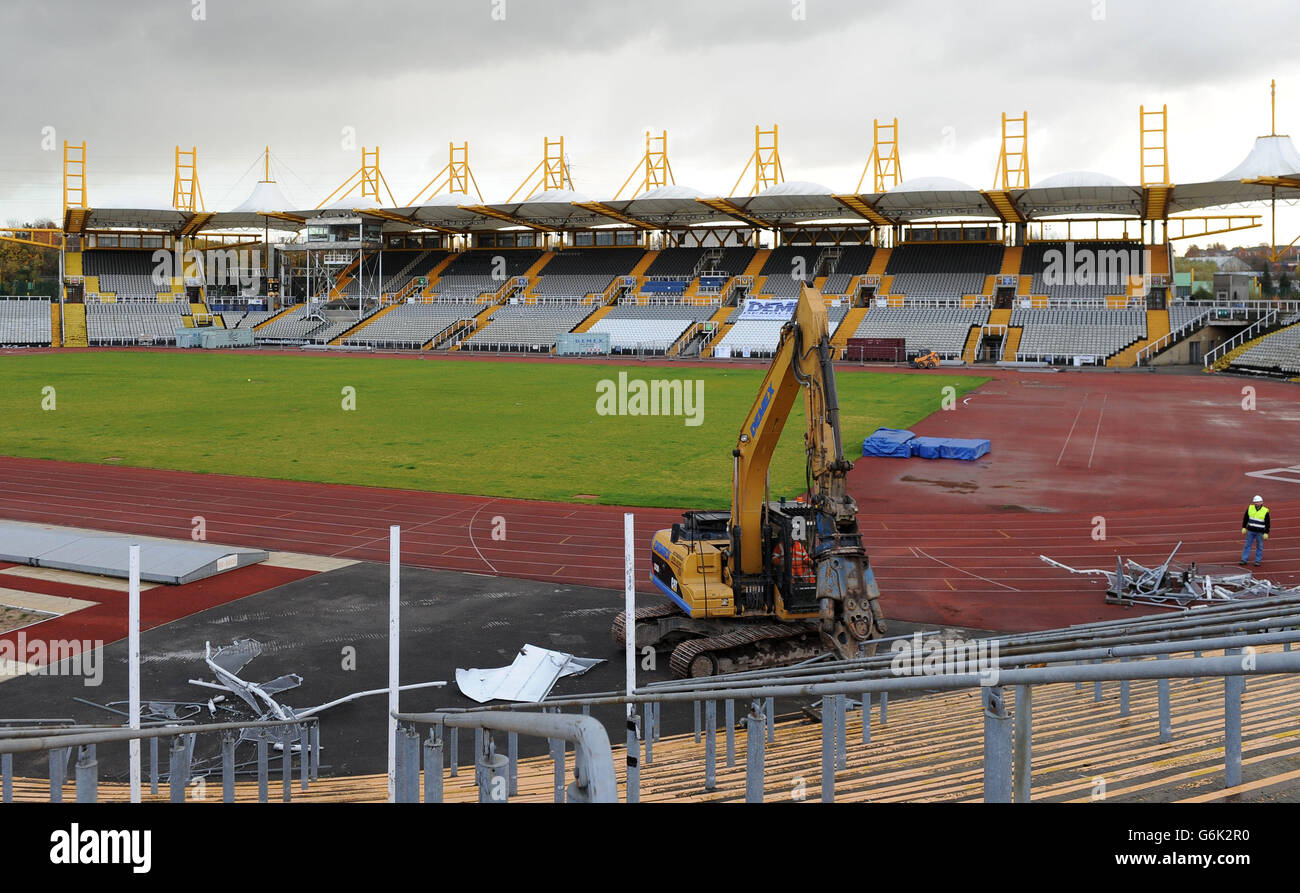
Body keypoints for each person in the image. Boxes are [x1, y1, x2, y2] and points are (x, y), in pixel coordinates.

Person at [1240, 495, 1271, 567]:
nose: (1256, 503)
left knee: (1259, 546)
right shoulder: (1250, 508)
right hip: (1250, 530)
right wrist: (1244, 527)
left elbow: (1267, 523)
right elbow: (1245, 518)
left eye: (1258, 502)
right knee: (1247, 545)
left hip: (1260, 532)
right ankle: (1244, 559)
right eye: (1255, 502)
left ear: (1261, 502)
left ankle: (1257, 561)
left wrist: (1266, 532)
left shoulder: (1265, 511)